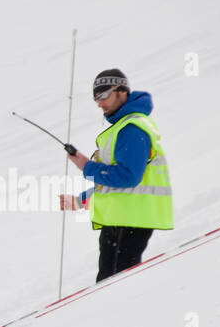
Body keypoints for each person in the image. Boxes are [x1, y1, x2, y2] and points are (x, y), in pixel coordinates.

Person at [60, 68, 173, 282]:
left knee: (116, 285)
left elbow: (127, 177)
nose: (100, 104)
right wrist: (80, 200)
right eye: (96, 99)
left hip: (131, 220)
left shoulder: (132, 129)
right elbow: (112, 186)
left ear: (122, 91)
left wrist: (87, 166)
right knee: (109, 284)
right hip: (120, 217)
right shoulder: (121, 128)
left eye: (103, 96)